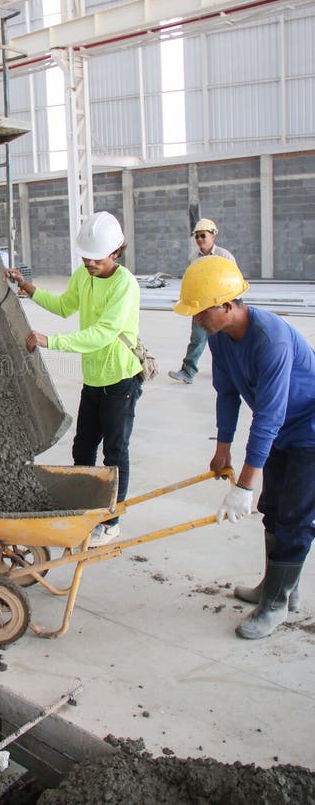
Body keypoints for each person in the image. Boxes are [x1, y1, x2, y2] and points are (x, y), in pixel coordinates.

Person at [173, 256, 315, 639]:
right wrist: (223, 447)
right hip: (283, 432)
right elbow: (227, 393)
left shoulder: (272, 339)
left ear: (226, 305)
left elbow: (267, 418)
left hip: (309, 430)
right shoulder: (221, 339)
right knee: (273, 510)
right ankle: (282, 588)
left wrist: (245, 486)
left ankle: (276, 605)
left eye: (201, 312)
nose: (197, 320)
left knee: (295, 517)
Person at [6, 211, 143, 547]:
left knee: (115, 451)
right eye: (85, 257)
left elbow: (102, 334)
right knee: (83, 447)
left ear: (115, 253)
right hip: (94, 379)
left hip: (121, 380)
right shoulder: (85, 275)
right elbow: (65, 305)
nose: (88, 263)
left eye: (95, 259)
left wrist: (51, 342)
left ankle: (111, 521)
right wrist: (29, 288)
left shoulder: (125, 285)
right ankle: (86, 509)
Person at [169, 218, 236, 385]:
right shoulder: (194, 257)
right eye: (197, 236)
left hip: (220, 308)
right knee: (197, 339)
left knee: (224, 342)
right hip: (201, 307)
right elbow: (192, 281)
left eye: (203, 236)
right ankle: (188, 371)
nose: (199, 240)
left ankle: (230, 370)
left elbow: (233, 281)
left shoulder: (224, 256)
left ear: (213, 236)